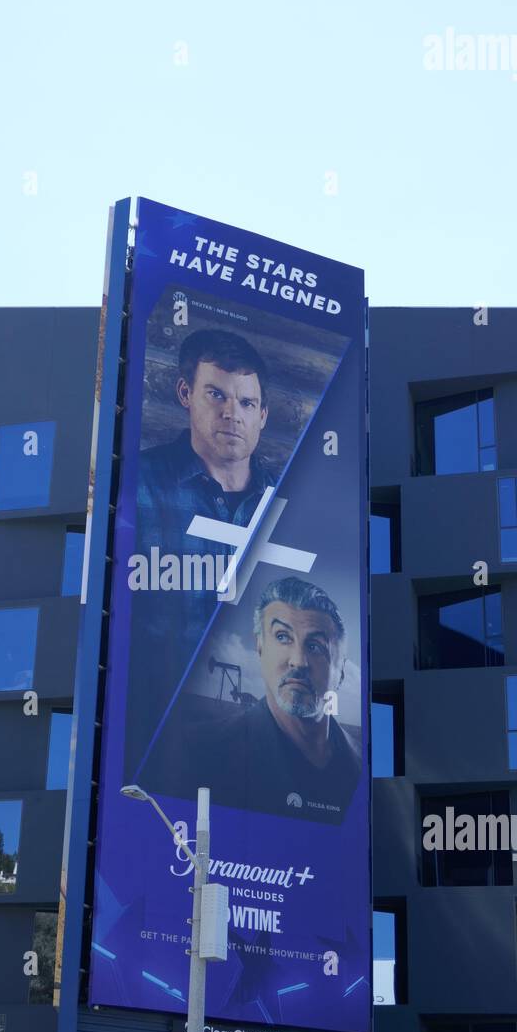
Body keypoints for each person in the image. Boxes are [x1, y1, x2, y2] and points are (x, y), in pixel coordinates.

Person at [127, 329, 276, 770]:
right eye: (217, 395)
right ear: (185, 394)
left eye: (247, 403)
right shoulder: (137, 485)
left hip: (254, 756)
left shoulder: (289, 504)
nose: (233, 414)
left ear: (264, 415)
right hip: (150, 744)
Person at [142, 576, 362, 824]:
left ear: (341, 671)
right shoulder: (196, 753)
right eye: (282, 637)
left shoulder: (367, 771)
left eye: (315, 646)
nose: (298, 660)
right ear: (260, 648)